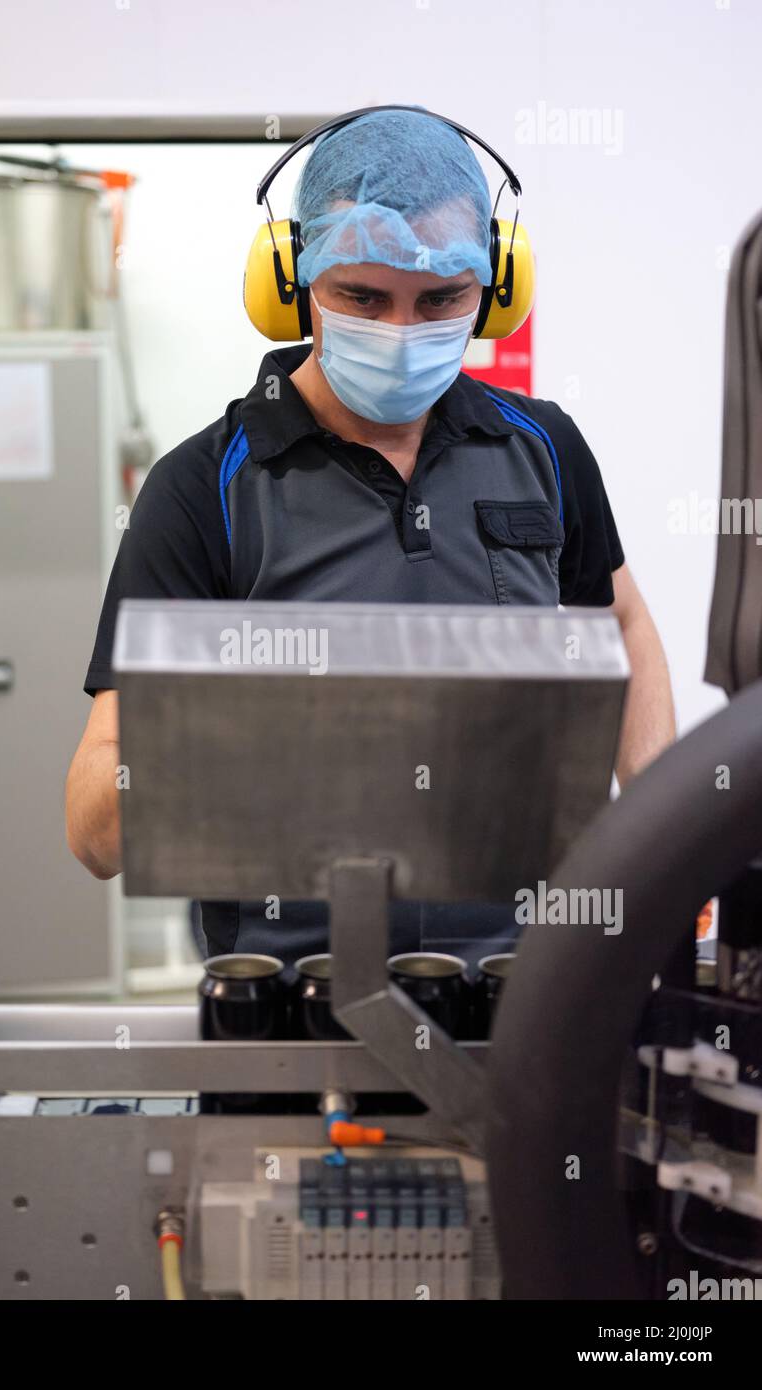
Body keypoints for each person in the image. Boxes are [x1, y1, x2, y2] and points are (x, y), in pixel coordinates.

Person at [66, 107, 675, 967]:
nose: (399, 333)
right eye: (360, 297)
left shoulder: (542, 449)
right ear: (292, 281)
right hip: (292, 998)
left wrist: (659, 839)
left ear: (494, 289)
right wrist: (232, 741)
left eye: (439, 300)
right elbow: (94, 828)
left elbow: (617, 626)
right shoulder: (203, 487)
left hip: (523, 983)